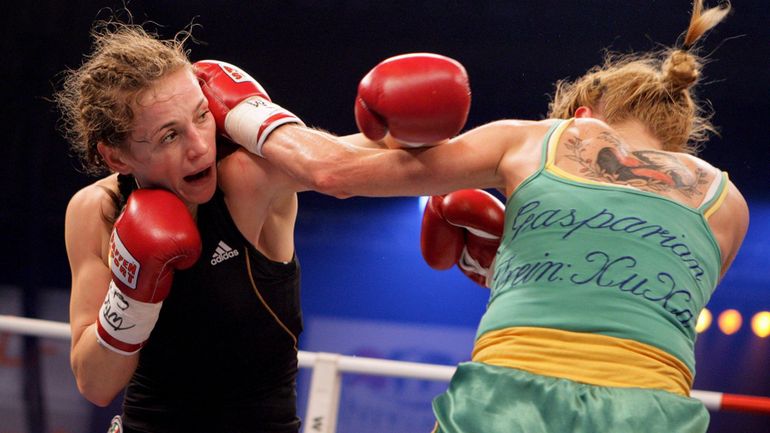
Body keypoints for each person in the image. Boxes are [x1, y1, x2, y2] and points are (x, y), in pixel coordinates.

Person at [212, 1, 746, 432]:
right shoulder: (729, 205)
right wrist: (505, 268)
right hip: (652, 415)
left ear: (581, 116)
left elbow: (334, 172)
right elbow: (646, 297)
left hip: (510, 403)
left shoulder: (538, 139)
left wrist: (243, 110)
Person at [55, 13, 471, 433]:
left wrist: (428, 127)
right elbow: (95, 383)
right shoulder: (98, 210)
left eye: (202, 116)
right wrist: (131, 297)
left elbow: (373, 159)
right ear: (116, 157)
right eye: (169, 135)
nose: (199, 147)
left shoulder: (246, 178)